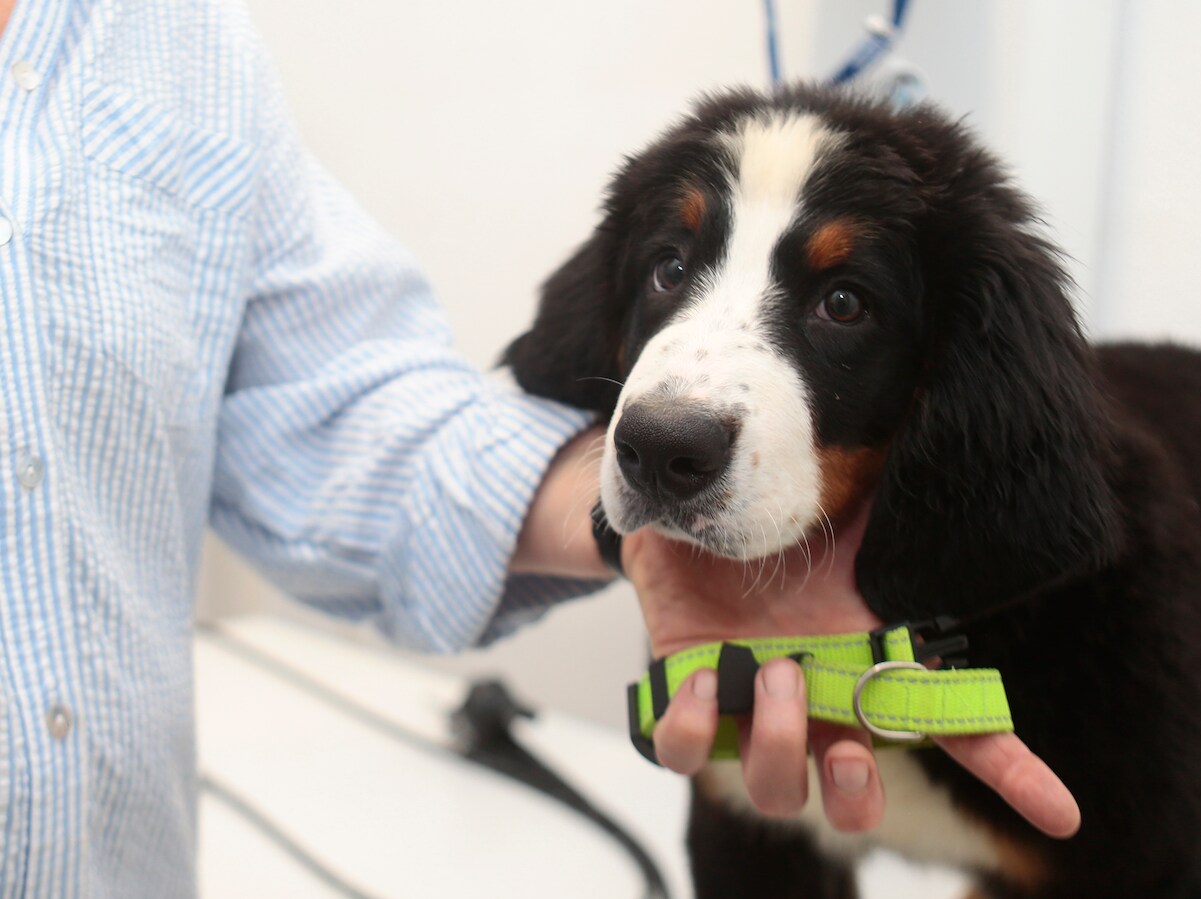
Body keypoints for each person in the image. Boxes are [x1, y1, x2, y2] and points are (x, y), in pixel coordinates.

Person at [0, 0, 1075, 893]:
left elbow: (338, 419)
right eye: (672, 265)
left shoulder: (166, 43)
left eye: (844, 296)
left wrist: (625, 527)